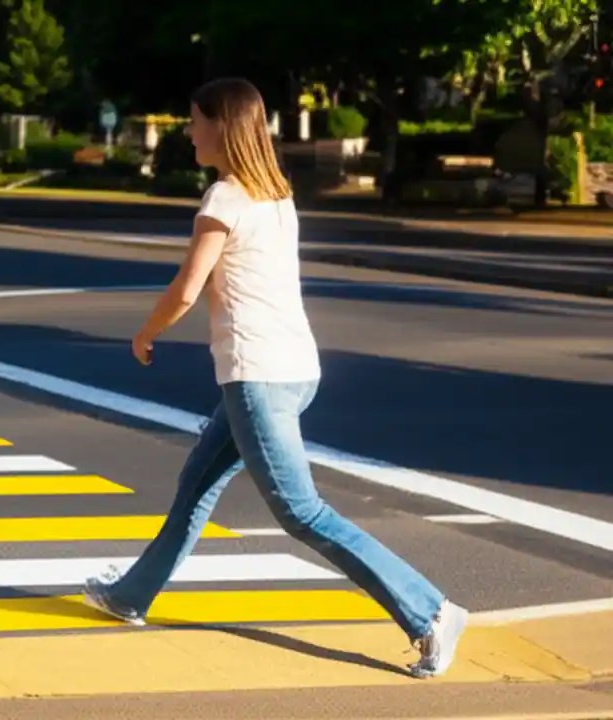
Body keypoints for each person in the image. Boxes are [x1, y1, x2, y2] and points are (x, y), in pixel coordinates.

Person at [81, 77, 467, 679]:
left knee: (301, 512)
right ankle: (131, 594)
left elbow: (187, 289)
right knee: (196, 486)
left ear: (222, 127)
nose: (188, 133)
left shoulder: (224, 200)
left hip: (257, 378)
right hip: (293, 369)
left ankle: (431, 613)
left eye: (194, 122)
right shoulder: (276, 195)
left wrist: (144, 333)